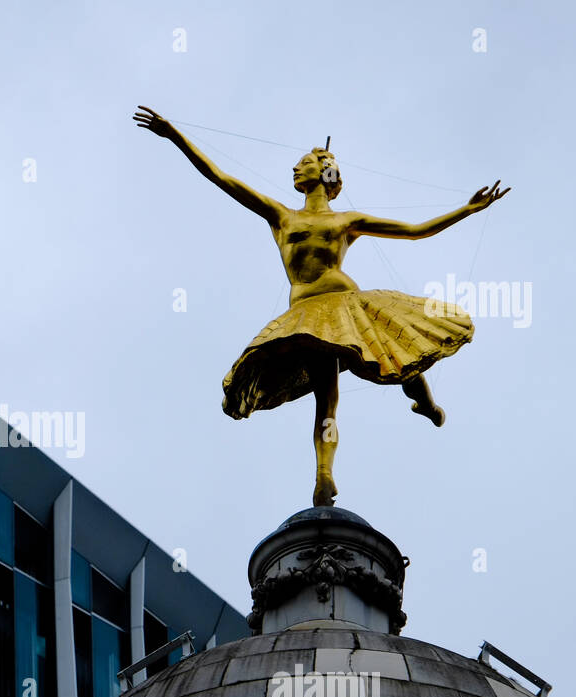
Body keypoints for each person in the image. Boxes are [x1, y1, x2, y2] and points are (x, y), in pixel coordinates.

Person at [134, 106, 508, 506]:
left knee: (396, 352)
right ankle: (324, 474)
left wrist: (465, 210)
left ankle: (426, 403)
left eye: (304, 164)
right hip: (309, 316)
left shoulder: (346, 220)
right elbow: (222, 178)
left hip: (346, 304)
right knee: (326, 399)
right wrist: (175, 136)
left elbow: (416, 232)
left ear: (325, 173)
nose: (295, 169)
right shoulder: (281, 216)